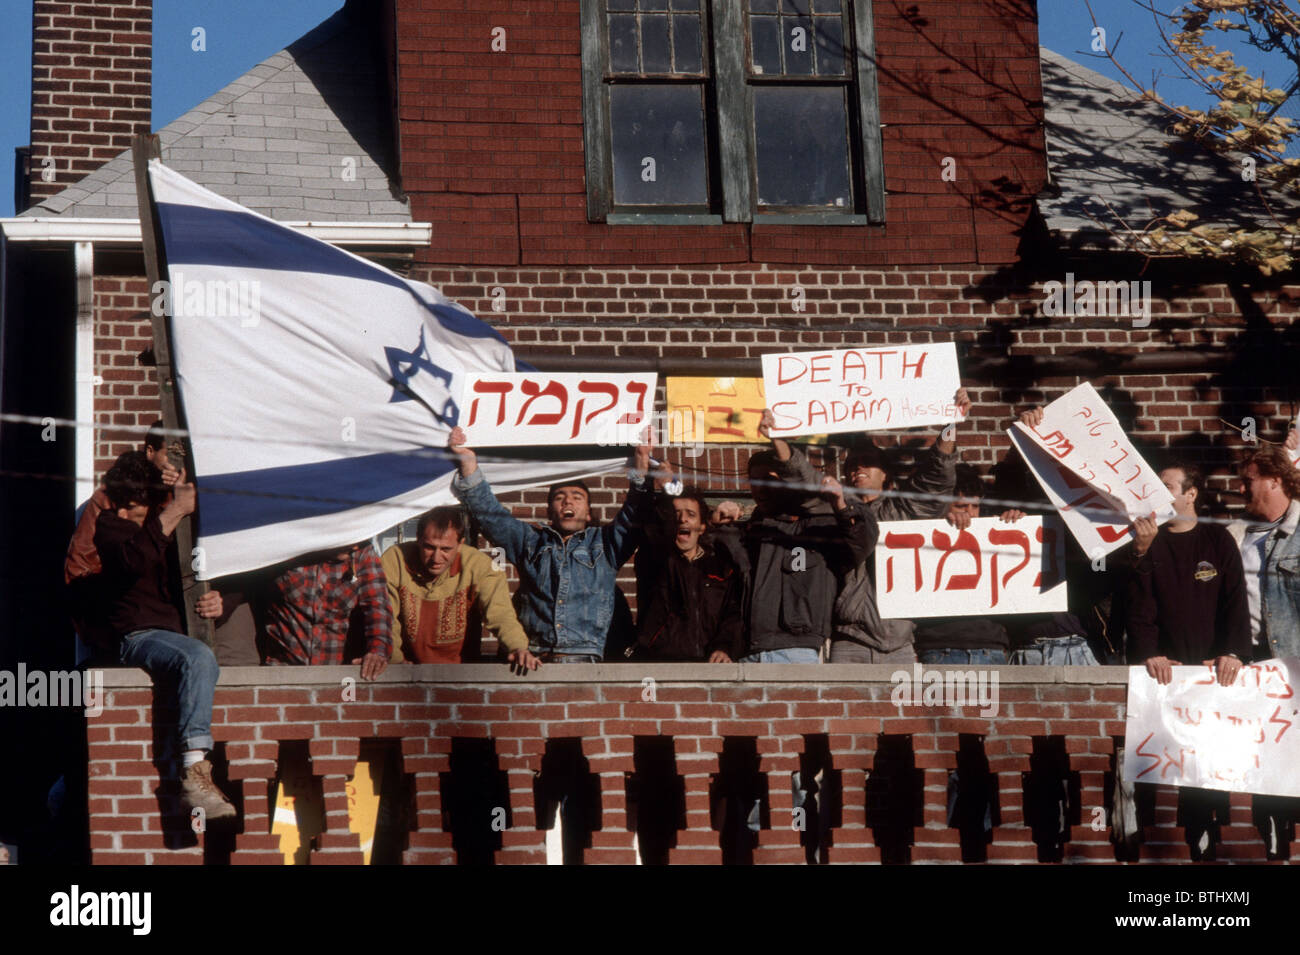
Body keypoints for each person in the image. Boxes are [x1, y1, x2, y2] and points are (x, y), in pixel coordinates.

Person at [93, 450, 234, 819]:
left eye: (135, 508)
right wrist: (174, 512)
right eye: (121, 505)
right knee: (198, 657)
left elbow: (214, 566)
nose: (124, 514)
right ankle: (195, 770)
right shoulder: (110, 526)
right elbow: (133, 561)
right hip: (136, 637)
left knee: (197, 655)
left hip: (174, 635)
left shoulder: (168, 530)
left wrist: (222, 601)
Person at [1124, 461, 1249, 859]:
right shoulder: (1149, 543)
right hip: (1167, 675)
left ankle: (1211, 838)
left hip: (1213, 676)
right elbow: (1138, 608)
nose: (1157, 492)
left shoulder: (1216, 540)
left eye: (1167, 486)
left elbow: (1235, 603)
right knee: (1166, 767)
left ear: (1190, 494)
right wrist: (1150, 654)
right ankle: (1160, 844)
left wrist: (1233, 653)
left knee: (1211, 764)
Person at [447, 426, 654, 662]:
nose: (568, 500)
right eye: (559, 497)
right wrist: (468, 464)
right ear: (549, 512)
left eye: (577, 497)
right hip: (535, 659)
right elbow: (490, 516)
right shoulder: (530, 542)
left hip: (585, 660)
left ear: (588, 513)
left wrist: (642, 467)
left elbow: (635, 515)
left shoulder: (605, 545)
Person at [711, 415, 873, 663]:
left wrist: (840, 504)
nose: (761, 488)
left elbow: (861, 538)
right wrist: (719, 527)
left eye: (769, 480)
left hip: (797, 651)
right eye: (754, 481)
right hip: (746, 652)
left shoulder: (822, 527)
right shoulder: (751, 532)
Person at [829, 389, 968, 663]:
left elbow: (936, 480)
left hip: (901, 640)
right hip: (849, 640)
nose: (858, 469)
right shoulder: (833, 511)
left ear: (886, 475)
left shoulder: (901, 511)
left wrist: (951, 423)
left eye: (867, 463)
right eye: (852, 465)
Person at [1227, 442, 1300, 858]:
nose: (1240, 488)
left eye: (1248, 479)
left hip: (1295, 667)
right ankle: (1273, 850)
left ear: (1276, 479)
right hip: (1254, 668)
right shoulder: (1234, 536)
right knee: (1263, 769)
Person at [381, 506, 539, 669]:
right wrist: (396, 662)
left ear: (460, 544)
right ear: (418, 540)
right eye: (429, 547)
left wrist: (518, 647)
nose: (436, 558)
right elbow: (386, 616)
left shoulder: (481, 566)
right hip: (406, 669)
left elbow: (500, 613)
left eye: (446, 549)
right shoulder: (395, 559)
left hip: (461, 672)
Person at [912, 465, 1018, 665]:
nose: (970, 514)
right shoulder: (926, 537)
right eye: (961, 507)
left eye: (975, 507)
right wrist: (941, 525)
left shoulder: (992, 537)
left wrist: (1017, 525)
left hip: (991, 649)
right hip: (940, 649)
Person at [632, 484, 744, 663]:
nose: (682, 519)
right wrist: (668, 490)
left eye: (690, 514)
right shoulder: (653, 559)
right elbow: (650, 529)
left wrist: (724, 648)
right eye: (675, 514)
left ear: (702, 527)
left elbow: (732, 616)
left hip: (709, 665)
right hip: (658, 663)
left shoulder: (721, 570)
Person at [261, 541, 393, 681]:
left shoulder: (362, 553)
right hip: (283, 670)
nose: (354, 546)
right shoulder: (284, 545)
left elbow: (377, 605)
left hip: (339, 673)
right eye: (346, 536)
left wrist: (377, 650)